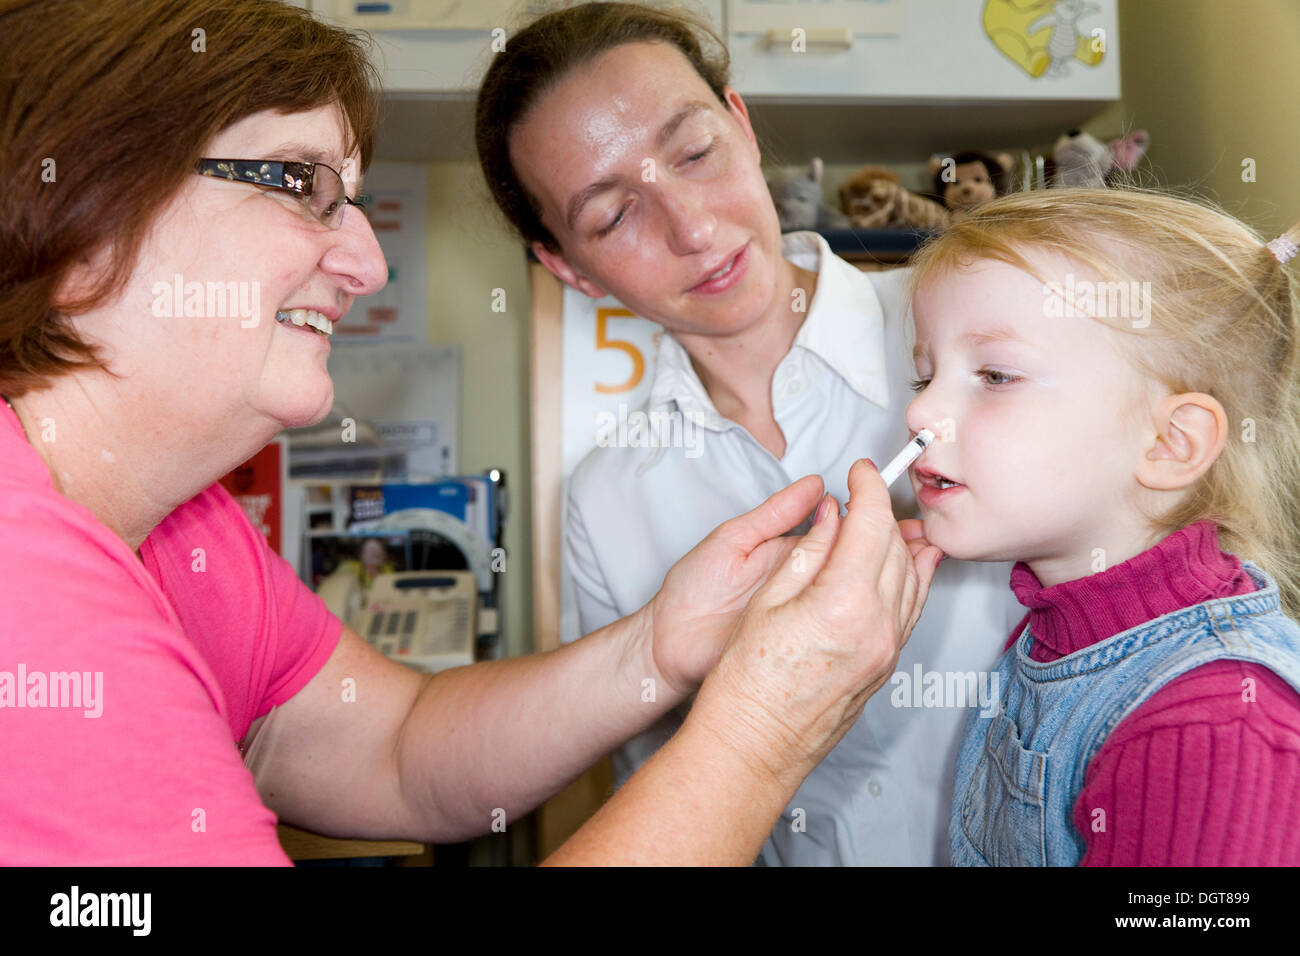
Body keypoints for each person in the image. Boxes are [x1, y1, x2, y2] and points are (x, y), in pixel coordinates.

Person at [0, 0, 942, 866]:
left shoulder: (188, 534)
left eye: (354, 201)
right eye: (298, 183)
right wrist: (762, 726)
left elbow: (396, 748)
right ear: (91, 212)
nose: (367, 262)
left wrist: (656, 647)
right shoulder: (28, 595)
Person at [475, 2, 1025, 864]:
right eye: (613, 217)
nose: (693, 228)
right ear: (567, 268)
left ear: (742, 121)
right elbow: (667, 796)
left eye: (695, 153)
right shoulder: (607, 502)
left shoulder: (978, 330)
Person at [903, 186, 1300, 865]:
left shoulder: (1212, 726)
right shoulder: (1062, 630)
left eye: (995, 375)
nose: (921, 415)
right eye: (925, 377)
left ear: (1170, 443)